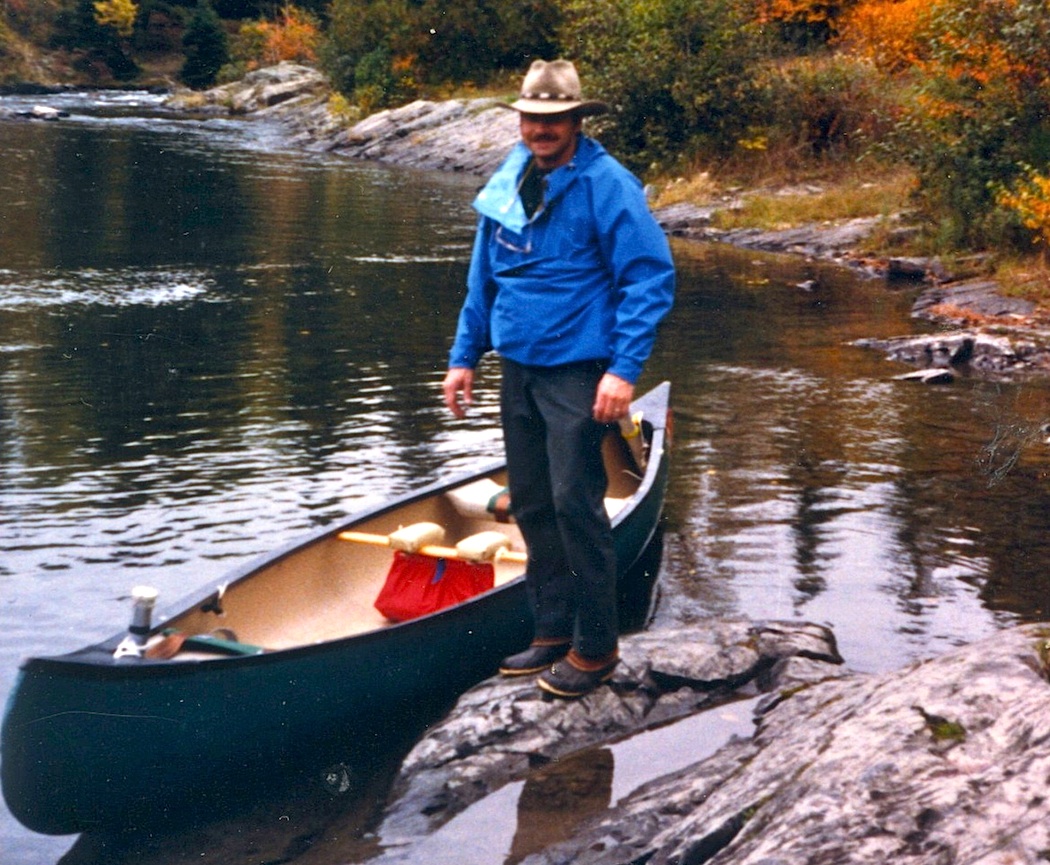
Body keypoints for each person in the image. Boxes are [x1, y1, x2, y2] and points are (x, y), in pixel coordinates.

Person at [442, 59, 675, 698]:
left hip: (579, 372)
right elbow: (481, 280)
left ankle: (596, 649)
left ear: (575, 120)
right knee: (535, 502)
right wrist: (465, 357)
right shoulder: (507, 182)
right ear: (521, 121)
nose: (541, 130)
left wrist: (623, 370)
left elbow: (649, 279)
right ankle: (550, 632)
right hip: (516, 369)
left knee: (576, 504)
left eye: (553, 119)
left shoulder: (608, 184)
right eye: (531, 118)